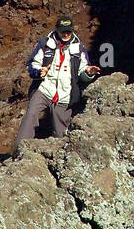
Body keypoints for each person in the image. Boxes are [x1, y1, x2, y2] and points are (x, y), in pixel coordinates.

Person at [14, 15, 100, 152]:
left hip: (65, 95)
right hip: (44, 90)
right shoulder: (44, 44)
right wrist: (38, 72)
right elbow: (31, 65)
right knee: (30, 115)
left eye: (69, 31)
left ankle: (56, 160)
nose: (66, 34)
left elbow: (82, 72)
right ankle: (19, 152)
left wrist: (89, 72)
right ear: (57, 30)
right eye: (63, 31)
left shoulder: (79, 48)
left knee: (60, 134)